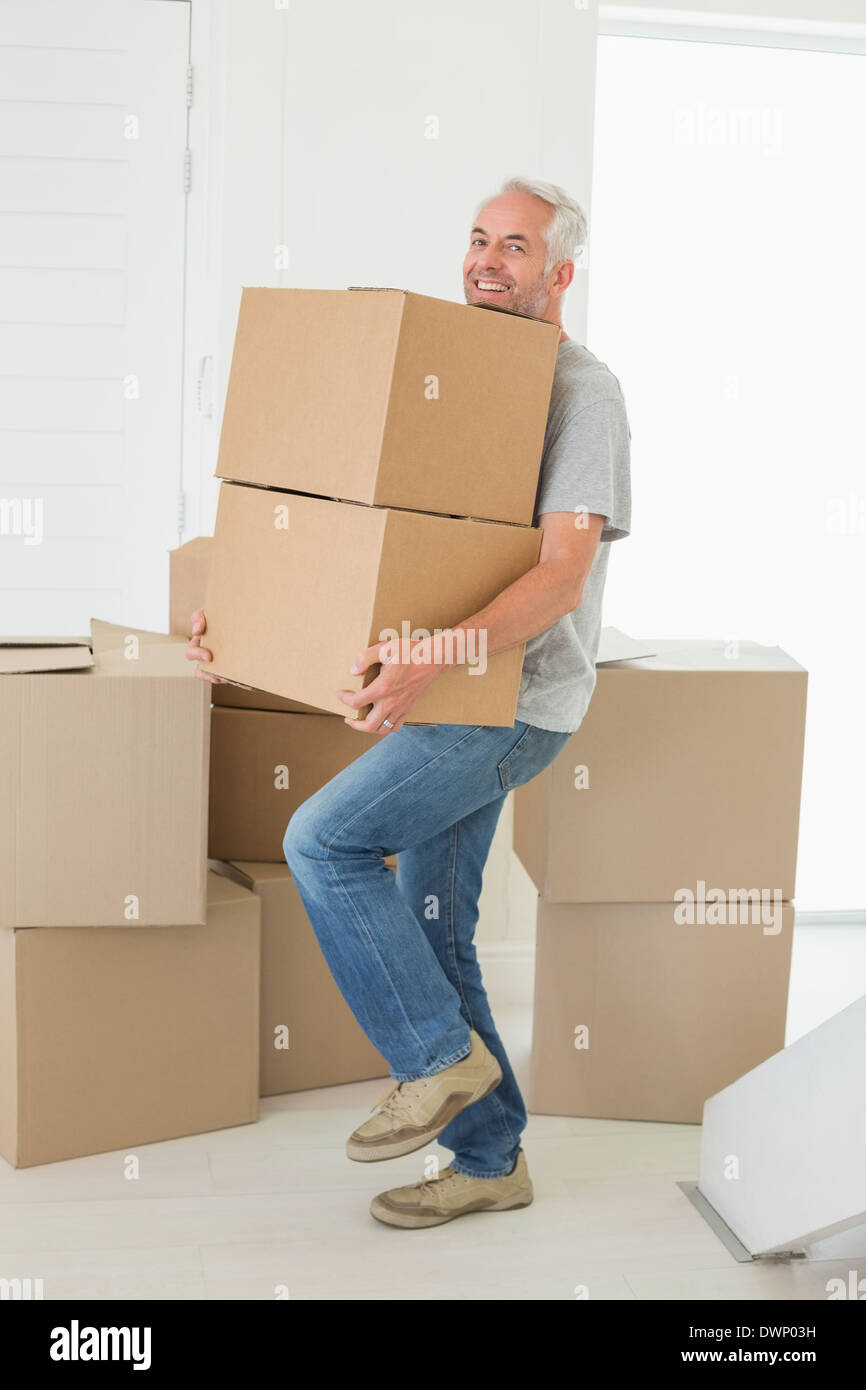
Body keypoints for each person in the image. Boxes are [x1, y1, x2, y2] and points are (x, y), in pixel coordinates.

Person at [187, 176, 631, 1230]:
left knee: (323, 843)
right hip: (447, 689)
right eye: (477, 239)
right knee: (436, 926)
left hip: (511, 703)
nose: (485, 261)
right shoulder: (447, 377)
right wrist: (244, 624)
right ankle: (488, 1161)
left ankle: (436, 1058)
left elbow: (559, 576)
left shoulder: (582, 391)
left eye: (513, 247)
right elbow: (353, 526)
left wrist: (435, 658)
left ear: (558, 272)